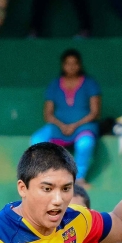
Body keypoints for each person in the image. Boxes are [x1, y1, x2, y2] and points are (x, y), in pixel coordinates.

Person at [30, 49, 102, 187]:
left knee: (85, 144)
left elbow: (95, 112)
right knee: (37, 140)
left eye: (75, 63)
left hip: (83, 126)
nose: (71, 66)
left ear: (80, 64)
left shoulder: (90, 83)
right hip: (58, 126)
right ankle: (46, 177)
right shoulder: (54, 84)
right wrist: (61, 125)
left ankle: (79, 179)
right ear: (63, 65)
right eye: (68, 63)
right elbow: (48, 114)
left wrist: (75, 125)